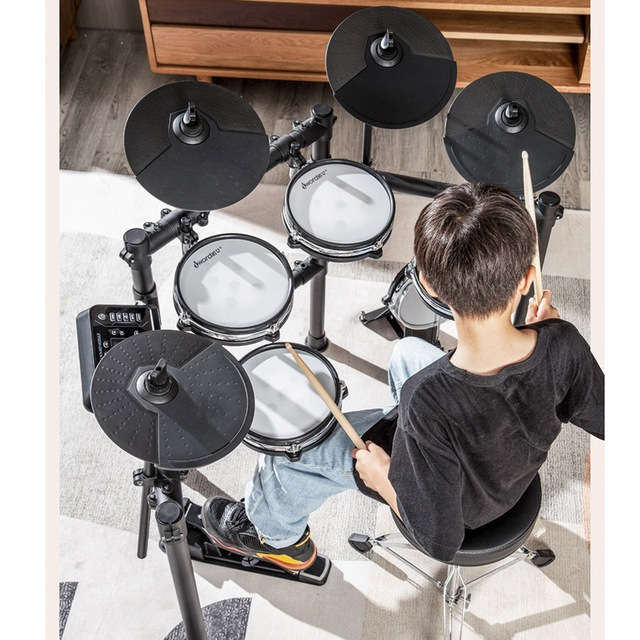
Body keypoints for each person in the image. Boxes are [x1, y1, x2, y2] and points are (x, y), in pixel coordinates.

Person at [202, 182, 604, 570]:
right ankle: (414, 441)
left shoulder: (427, 397)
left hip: (459, 508)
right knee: (407, 351)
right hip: (507, 470)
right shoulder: (565, 343)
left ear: (427, 284)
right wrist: (549, 332)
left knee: (290, 455)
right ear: (528, 281)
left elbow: (441, 539)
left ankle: (275, 538)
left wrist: (383, 480)